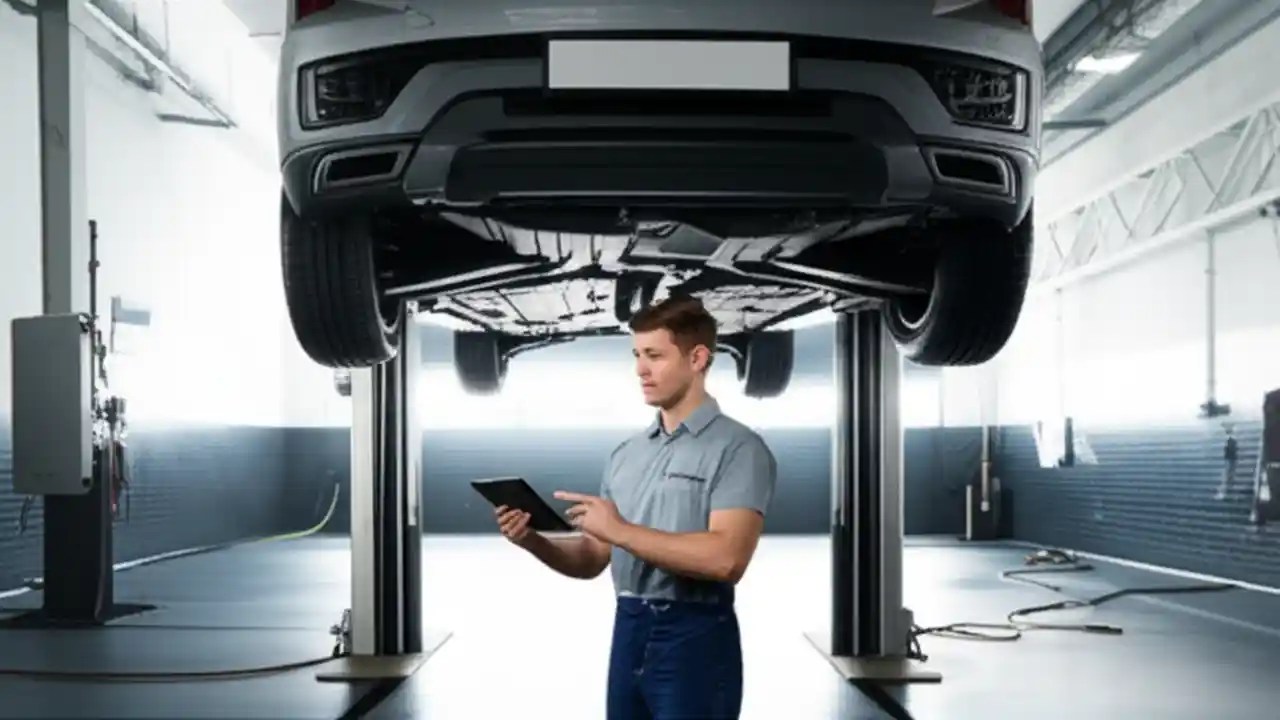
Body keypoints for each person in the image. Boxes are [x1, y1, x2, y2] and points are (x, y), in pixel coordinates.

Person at [493, 295, 777, 720]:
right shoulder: (627, 455)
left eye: (655, 356)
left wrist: (620, 530)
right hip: (628, 627)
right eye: (637, 355)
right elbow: (592, 558)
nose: (641, 370)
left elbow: (726, 558)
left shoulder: (739, 448)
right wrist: (533, 540)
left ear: (697, 358)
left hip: (695, 637)